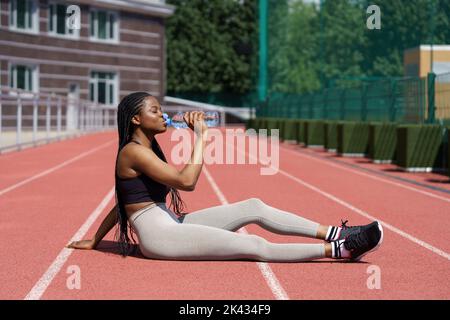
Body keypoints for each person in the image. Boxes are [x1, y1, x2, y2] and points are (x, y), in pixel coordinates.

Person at [67, 92, 383, 262]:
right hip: (161, 237)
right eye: (154, 110)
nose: (162, 114)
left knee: (254, 206)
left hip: (171, 223)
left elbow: (122, 202)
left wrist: (95, 240)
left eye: (161, 109)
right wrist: (202, 136)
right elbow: (187, 181)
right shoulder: (133, 151)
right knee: (254, 246)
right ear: (136, 118)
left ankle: (333, 233)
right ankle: (343, 249)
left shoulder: (144, 147)